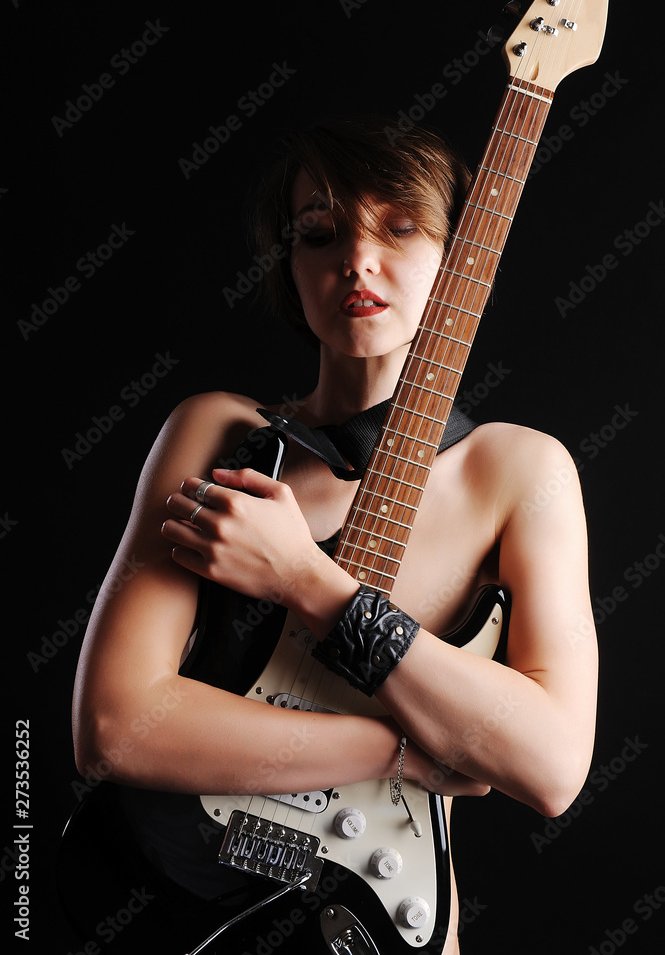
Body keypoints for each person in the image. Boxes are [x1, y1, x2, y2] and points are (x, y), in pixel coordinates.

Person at [69, 117, 598, 954]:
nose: (355, 259)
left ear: (466, 259)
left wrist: (308, 583)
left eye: (400, 226)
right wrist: (404, 755)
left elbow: (552, 765)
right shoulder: (219, 434)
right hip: (175, 894)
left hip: (382, 917)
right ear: (291, 266)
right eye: (319, 233)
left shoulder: (521, 471)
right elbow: (114, 725)